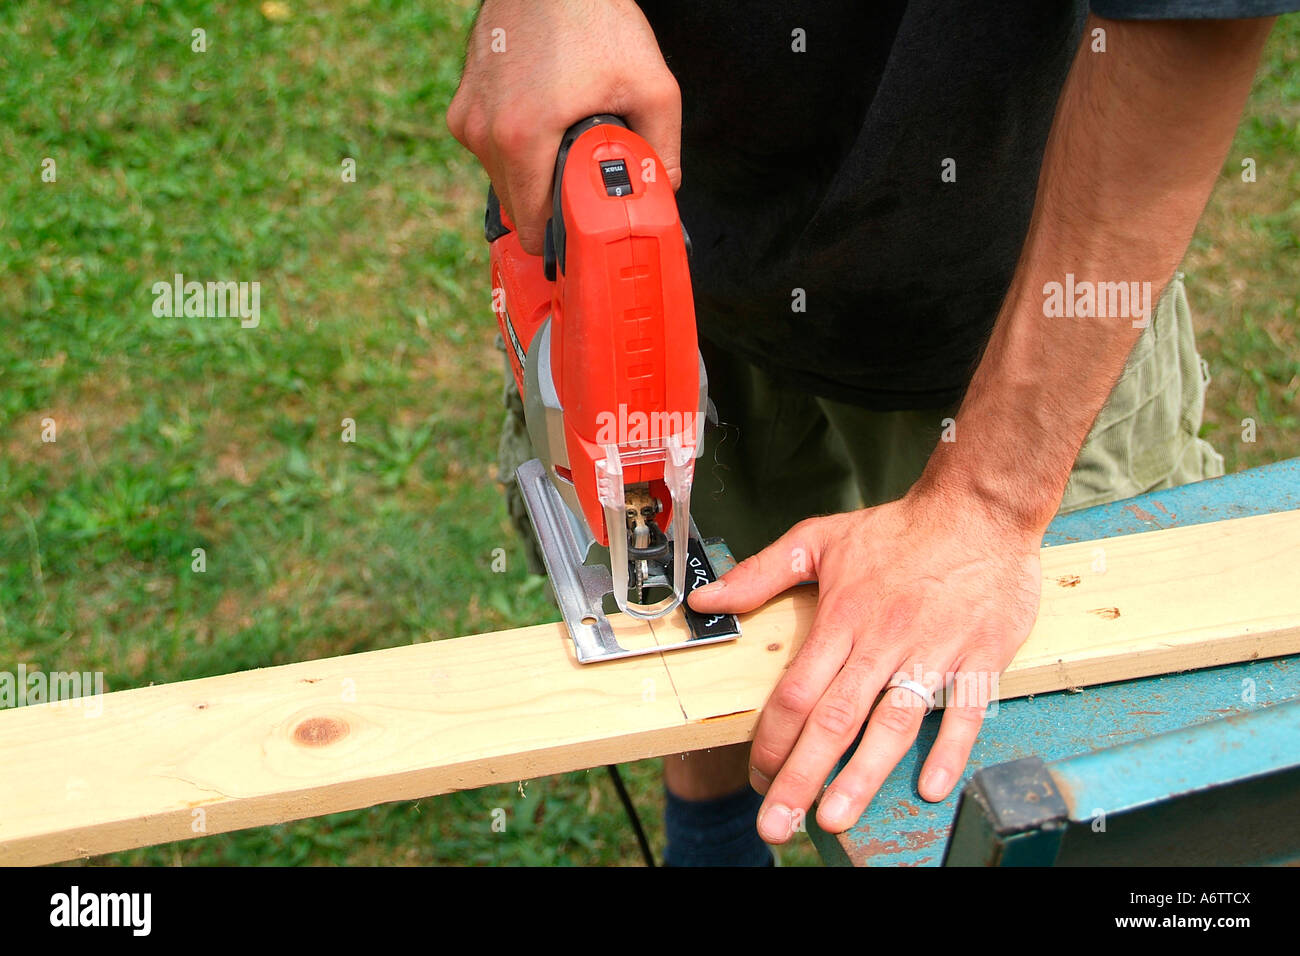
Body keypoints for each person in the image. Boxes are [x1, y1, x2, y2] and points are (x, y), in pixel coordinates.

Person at [447, 0, 1287, 865]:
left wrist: (990, 506)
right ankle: (714, 844)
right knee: (700, 630)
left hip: (1027, 305)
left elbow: (1197, 18)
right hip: (688, 251)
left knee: (1040, 757)